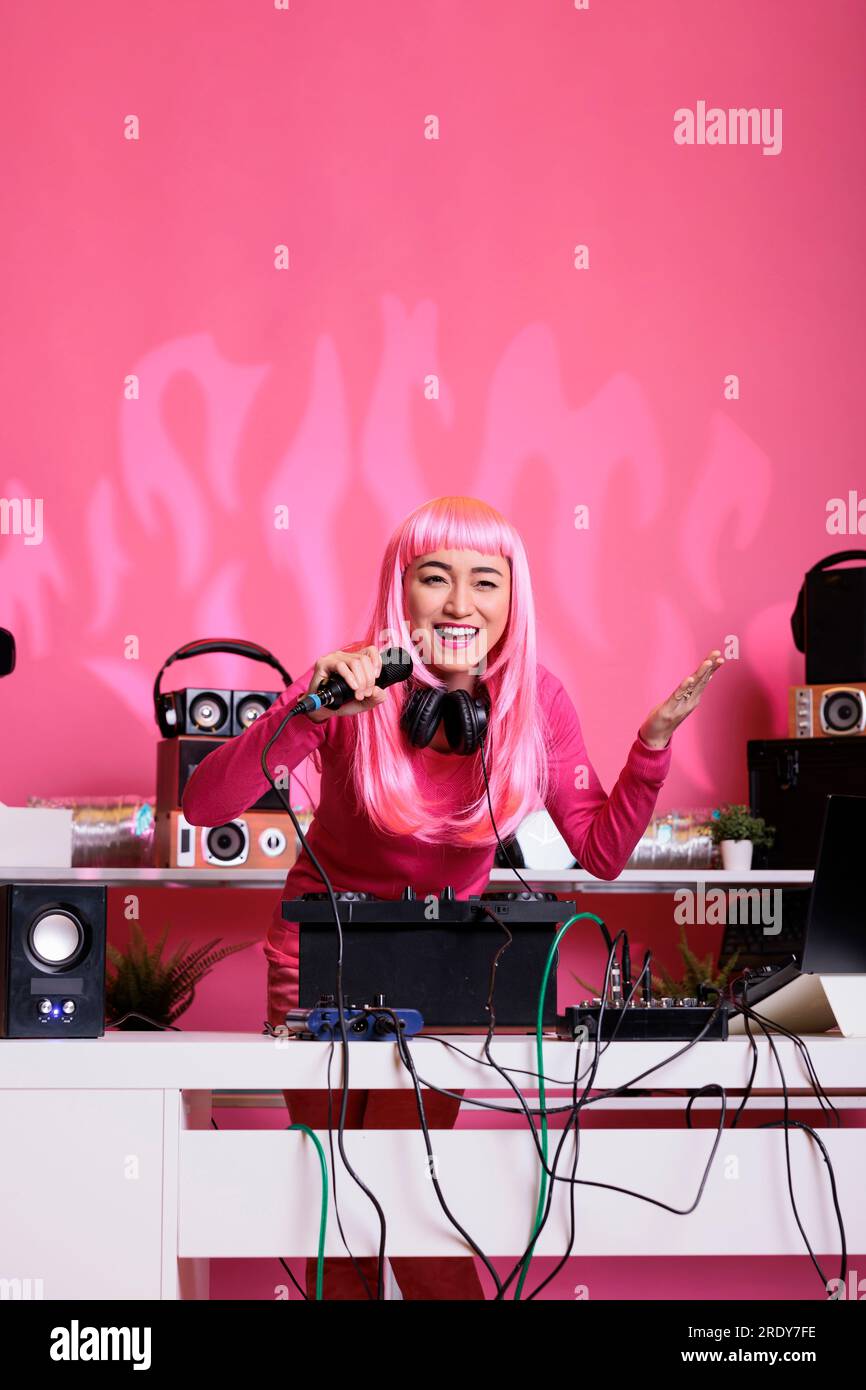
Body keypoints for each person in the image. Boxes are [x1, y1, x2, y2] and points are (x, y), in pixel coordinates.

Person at [181, 494, 723, 1299]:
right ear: (402, 591)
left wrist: (649, 747)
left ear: (513, 598)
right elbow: (203, 806)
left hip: (445, 981)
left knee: (416, 1206)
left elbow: (601, 855)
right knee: (335, 1221)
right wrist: (306, 709)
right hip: (319, 963)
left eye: (485, 581)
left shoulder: (537, 703)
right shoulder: (347, 683)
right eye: (435, 578)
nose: (461, 604)